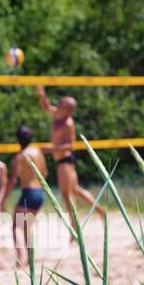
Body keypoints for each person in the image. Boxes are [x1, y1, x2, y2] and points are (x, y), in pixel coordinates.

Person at [37, 85, 105, 233]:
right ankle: (100, 210)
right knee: (76, 190)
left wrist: (51, 149)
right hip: (62, 161)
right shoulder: (58, 115)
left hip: (65, 161)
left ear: (68, 109)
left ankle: (75, 228)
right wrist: (42, 95)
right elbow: (45, 107)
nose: (60, 102)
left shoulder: (68, 123)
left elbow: (70, 146)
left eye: (64, 102)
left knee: (67, 196)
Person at [0, 125, 48, 267]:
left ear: (17, 139)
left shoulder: (20, 156)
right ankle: (30, 258)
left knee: (16, 227)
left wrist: (3, 199)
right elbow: (44, 173)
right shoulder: (38, 152)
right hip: (40, 193)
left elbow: (12, 180)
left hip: (29, 192)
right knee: (27, 227)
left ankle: (21, 259)